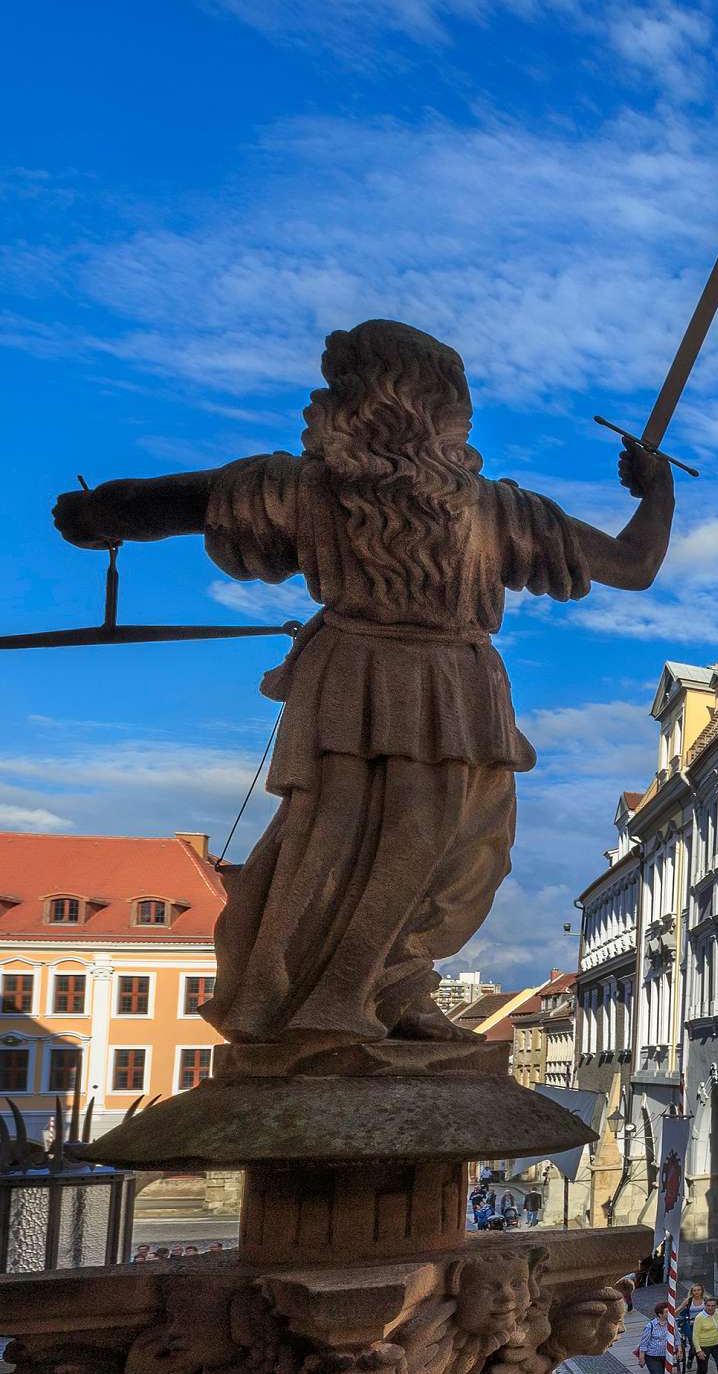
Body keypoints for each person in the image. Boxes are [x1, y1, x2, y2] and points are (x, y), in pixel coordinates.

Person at [50, 322, 675, 1051]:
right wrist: (657, 489)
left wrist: (94, 515)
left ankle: (379, 986)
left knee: (353, 844)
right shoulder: (494, 508)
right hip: (446, 685)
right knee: (430, 848)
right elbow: (635, 562)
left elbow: (166, 501)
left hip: (362, 677)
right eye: (457, 408)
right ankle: (339, 997)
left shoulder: (298, 486)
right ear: (432, 411)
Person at [637, 1302, 673, 1374]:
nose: (669, 1313)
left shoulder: (671, 1323)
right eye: (666, 1312)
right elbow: (643, 1343)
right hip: (652, 1356)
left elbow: (676, 1337)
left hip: (666, 1355)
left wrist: (679, 1349)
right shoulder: (650, 1326)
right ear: (660, 1314)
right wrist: (642, 1358)